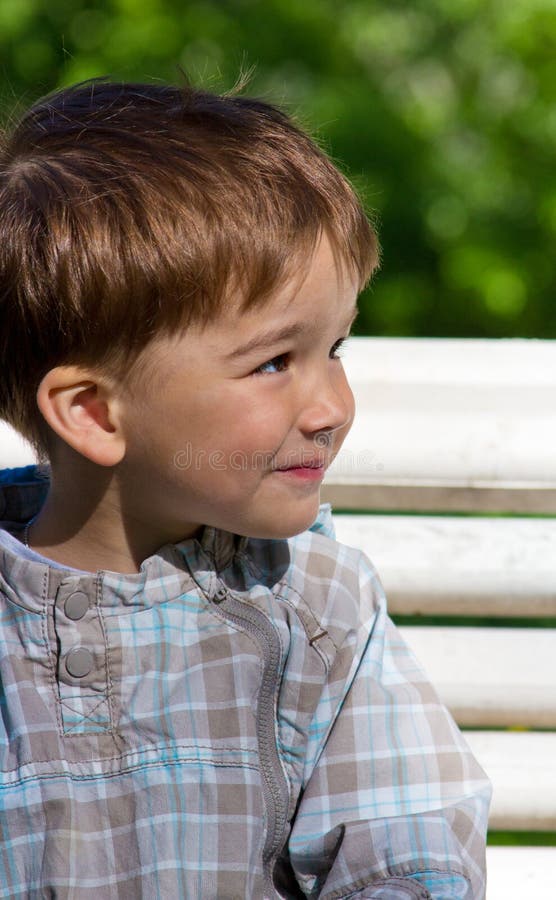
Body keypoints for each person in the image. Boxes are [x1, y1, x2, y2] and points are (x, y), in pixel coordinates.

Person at [0, 79, 490, 899]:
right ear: (93, 412)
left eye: (336, 348)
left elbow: (407, 857)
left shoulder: (319, 613)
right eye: (273, 363)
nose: (333, 407)